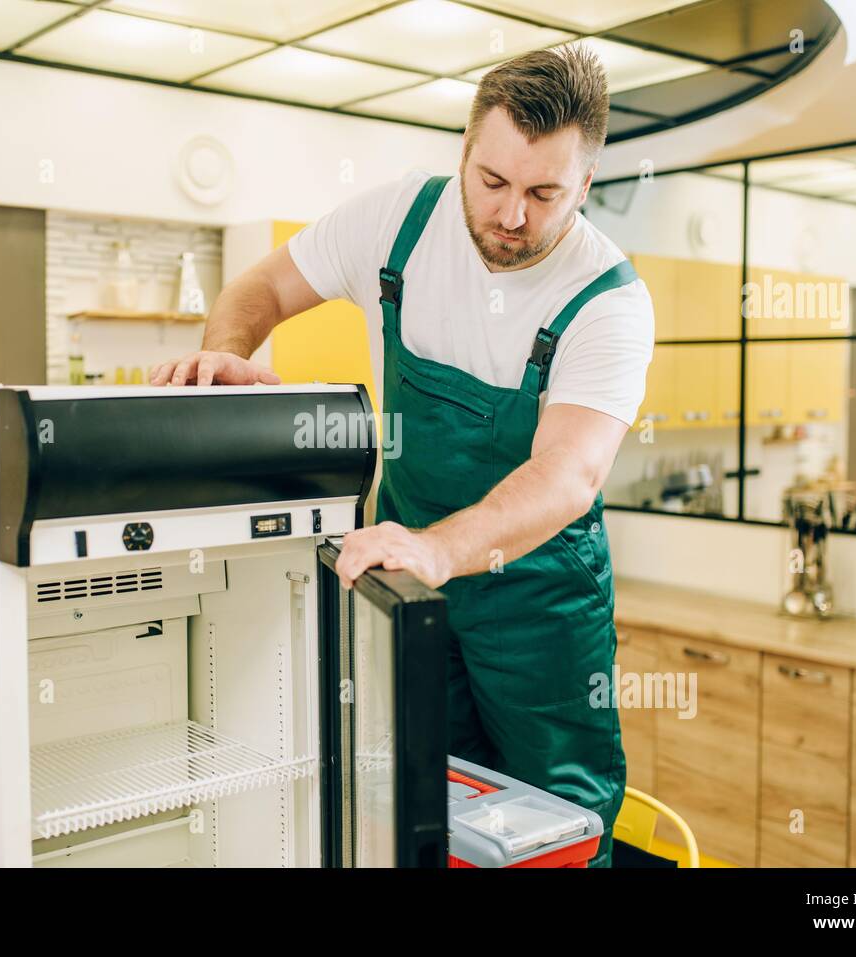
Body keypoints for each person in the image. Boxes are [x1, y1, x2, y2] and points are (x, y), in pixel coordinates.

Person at [151, 45, 655, 867]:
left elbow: (570, 472)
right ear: (463, 152)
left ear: (586, 187)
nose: (512, 216)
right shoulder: (402, 222)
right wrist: (229, 355)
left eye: (543, 193)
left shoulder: (607, 300)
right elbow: (262, 288)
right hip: (410, 581)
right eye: (492, 182)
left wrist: (437, 548)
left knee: (554, 829)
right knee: (421, 800)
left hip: (540, 602)